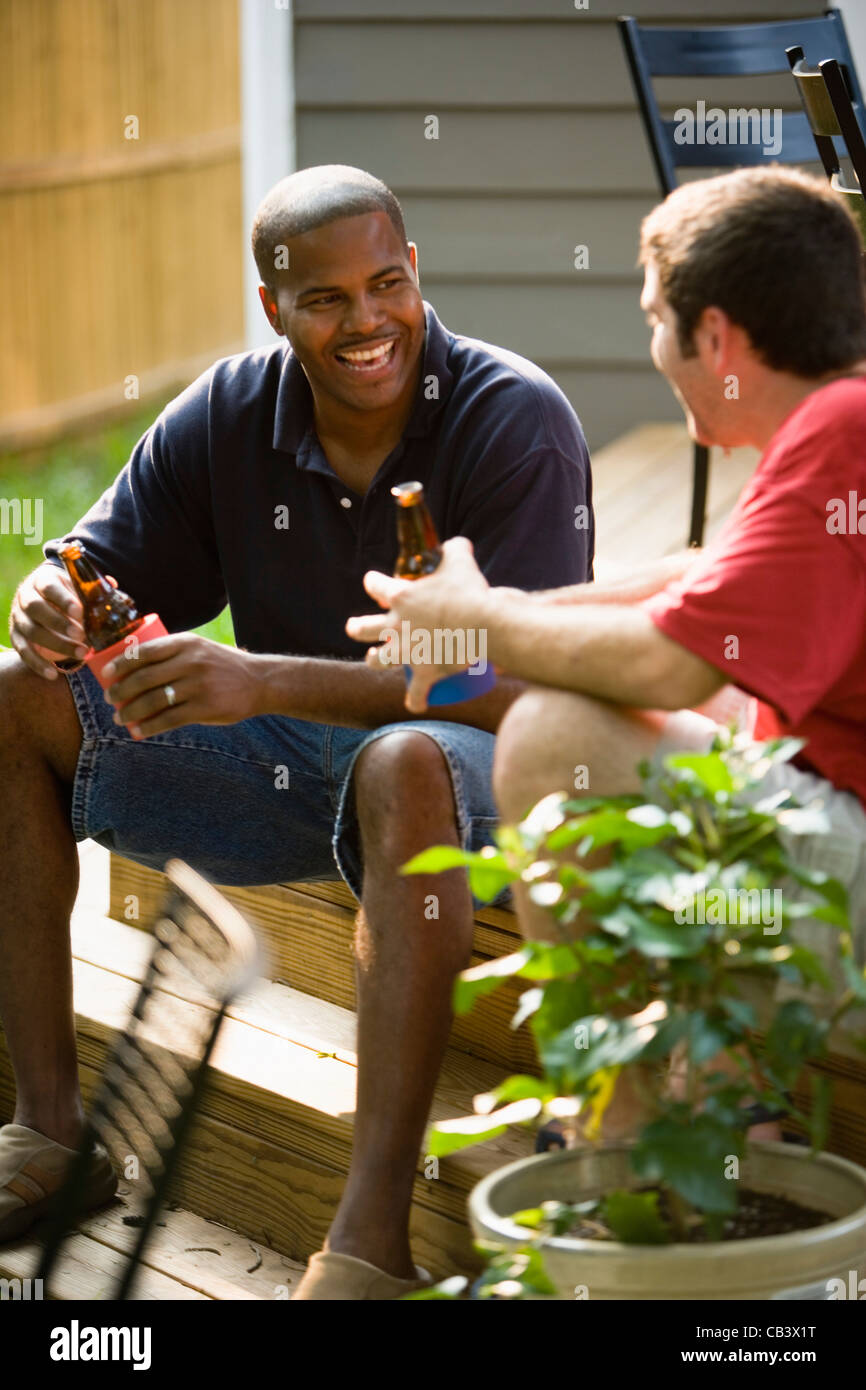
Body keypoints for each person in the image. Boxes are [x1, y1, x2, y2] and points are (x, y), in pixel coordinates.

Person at [0, 165, 593, 1299]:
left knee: (403, 757)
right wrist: (50, 598)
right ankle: (50, 1129)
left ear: (414, 273)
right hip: (276, 769)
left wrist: (262, 679)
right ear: (272, 305)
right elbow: (95, 565)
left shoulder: (514, 419)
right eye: (324, 299)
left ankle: (368, 1241)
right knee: (7, 694)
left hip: (465, 775)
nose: (365, 320)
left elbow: (521, 690)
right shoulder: (228, 411)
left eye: (384, 284)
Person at [348, 167, 866, 1091]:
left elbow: (674, 663)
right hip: (831, 838)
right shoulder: (838, 424)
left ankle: (610, 1137)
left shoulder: (842, 434)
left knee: (557, 736)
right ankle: (726, 1103)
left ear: (715, 335)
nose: (654, 347)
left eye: (655, 319)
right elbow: (700, 591)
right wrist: (469, 625)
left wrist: (481, 621)